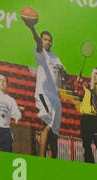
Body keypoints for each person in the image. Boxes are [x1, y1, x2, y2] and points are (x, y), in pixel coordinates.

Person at [29, 23, 64, 159]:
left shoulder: (55, 57)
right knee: (47, 125)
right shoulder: (40, 53)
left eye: (50, 40)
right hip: (43, 94)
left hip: (55, 98)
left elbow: (64, 75)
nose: (48, 42)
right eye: (45, 39)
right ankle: (41, 157)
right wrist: (32, 28)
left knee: (54, 132)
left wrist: (64, 72)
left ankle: (52, 159)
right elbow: (37, 42)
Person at [75, 67, 97, 164]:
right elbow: (87, 88)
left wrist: (92, 74)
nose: (96, 76)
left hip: (93, 118)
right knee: (86, 144)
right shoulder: (90, 87)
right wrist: (80, 81)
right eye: (95, 73)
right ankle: (89, 162)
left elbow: (92, 88)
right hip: (84, 118)